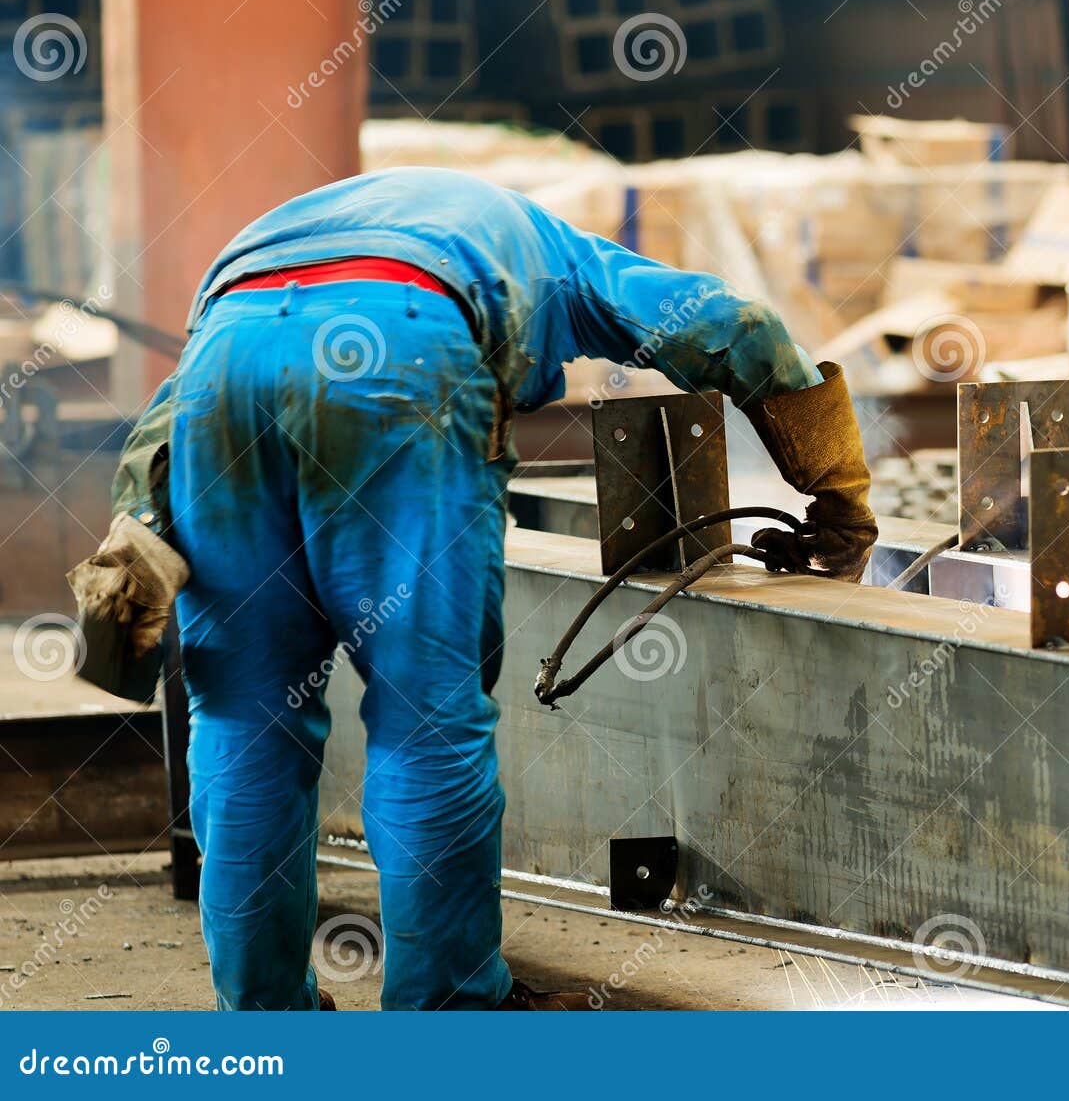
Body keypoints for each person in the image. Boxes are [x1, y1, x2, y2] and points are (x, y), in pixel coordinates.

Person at [68, 166, 877, 1010]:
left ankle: (267, 1022)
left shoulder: (294, 232)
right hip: (406, 352)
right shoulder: (552, 252)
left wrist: (140, 527)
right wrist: (837, 489)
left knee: (242, 720)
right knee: (426, 719)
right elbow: (728, 325)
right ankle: (449, 1014)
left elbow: (178, 407)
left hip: (221, 367)